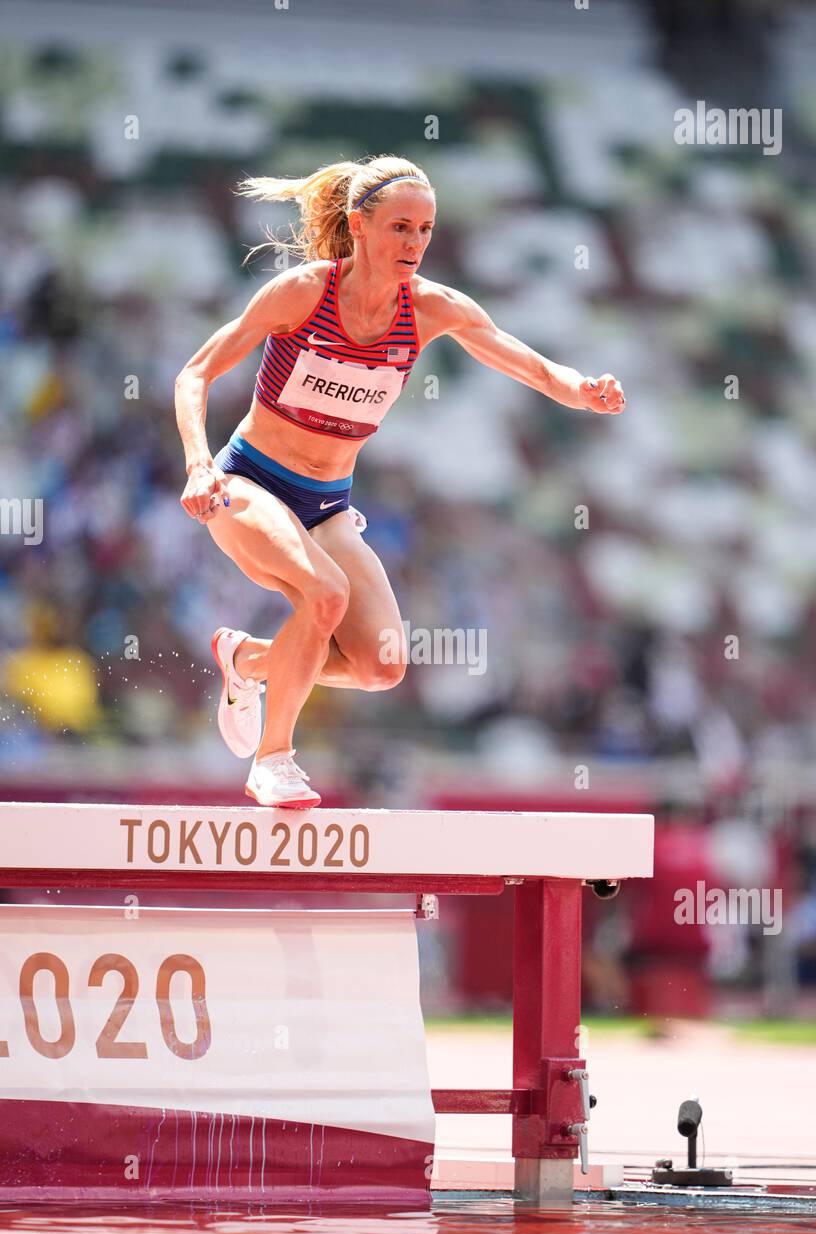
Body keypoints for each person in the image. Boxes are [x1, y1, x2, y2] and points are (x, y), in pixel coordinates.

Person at [175, 155, 625, 808]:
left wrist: (579, 389)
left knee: (381, 665)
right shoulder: (303, 293)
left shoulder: (433, 309)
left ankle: (247, 662)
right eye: (400, 228)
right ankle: (273, 762)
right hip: (248, 485)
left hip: (327, 508)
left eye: (425, 231)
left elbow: (521, 359)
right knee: (323, 595)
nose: (414, 244)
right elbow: (195, 372)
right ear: (359, 225)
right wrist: (196, 462)